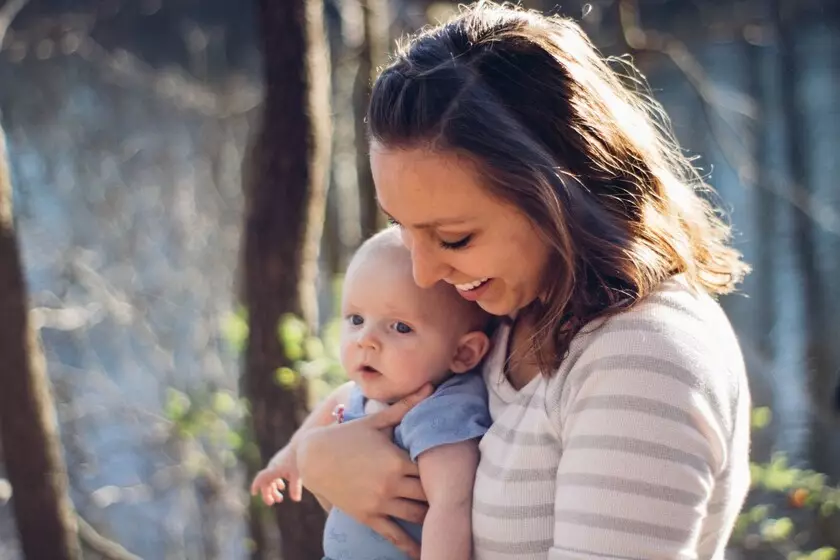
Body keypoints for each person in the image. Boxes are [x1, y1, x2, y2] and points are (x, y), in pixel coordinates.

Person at [293, 2, 753, 559]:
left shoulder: (641, 358)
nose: (423, 272)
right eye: (401, 227)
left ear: (560, 196)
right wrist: (322, 460)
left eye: (455, 238)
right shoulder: (509, 310)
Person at [251, 227, 493, 560]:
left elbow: (451, 507)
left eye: (400, 327)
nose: (366, 339)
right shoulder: (357, 395)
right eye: (356, 318)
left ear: (464, 353)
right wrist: (284, 462)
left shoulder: (441, 414)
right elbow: (322, 416)